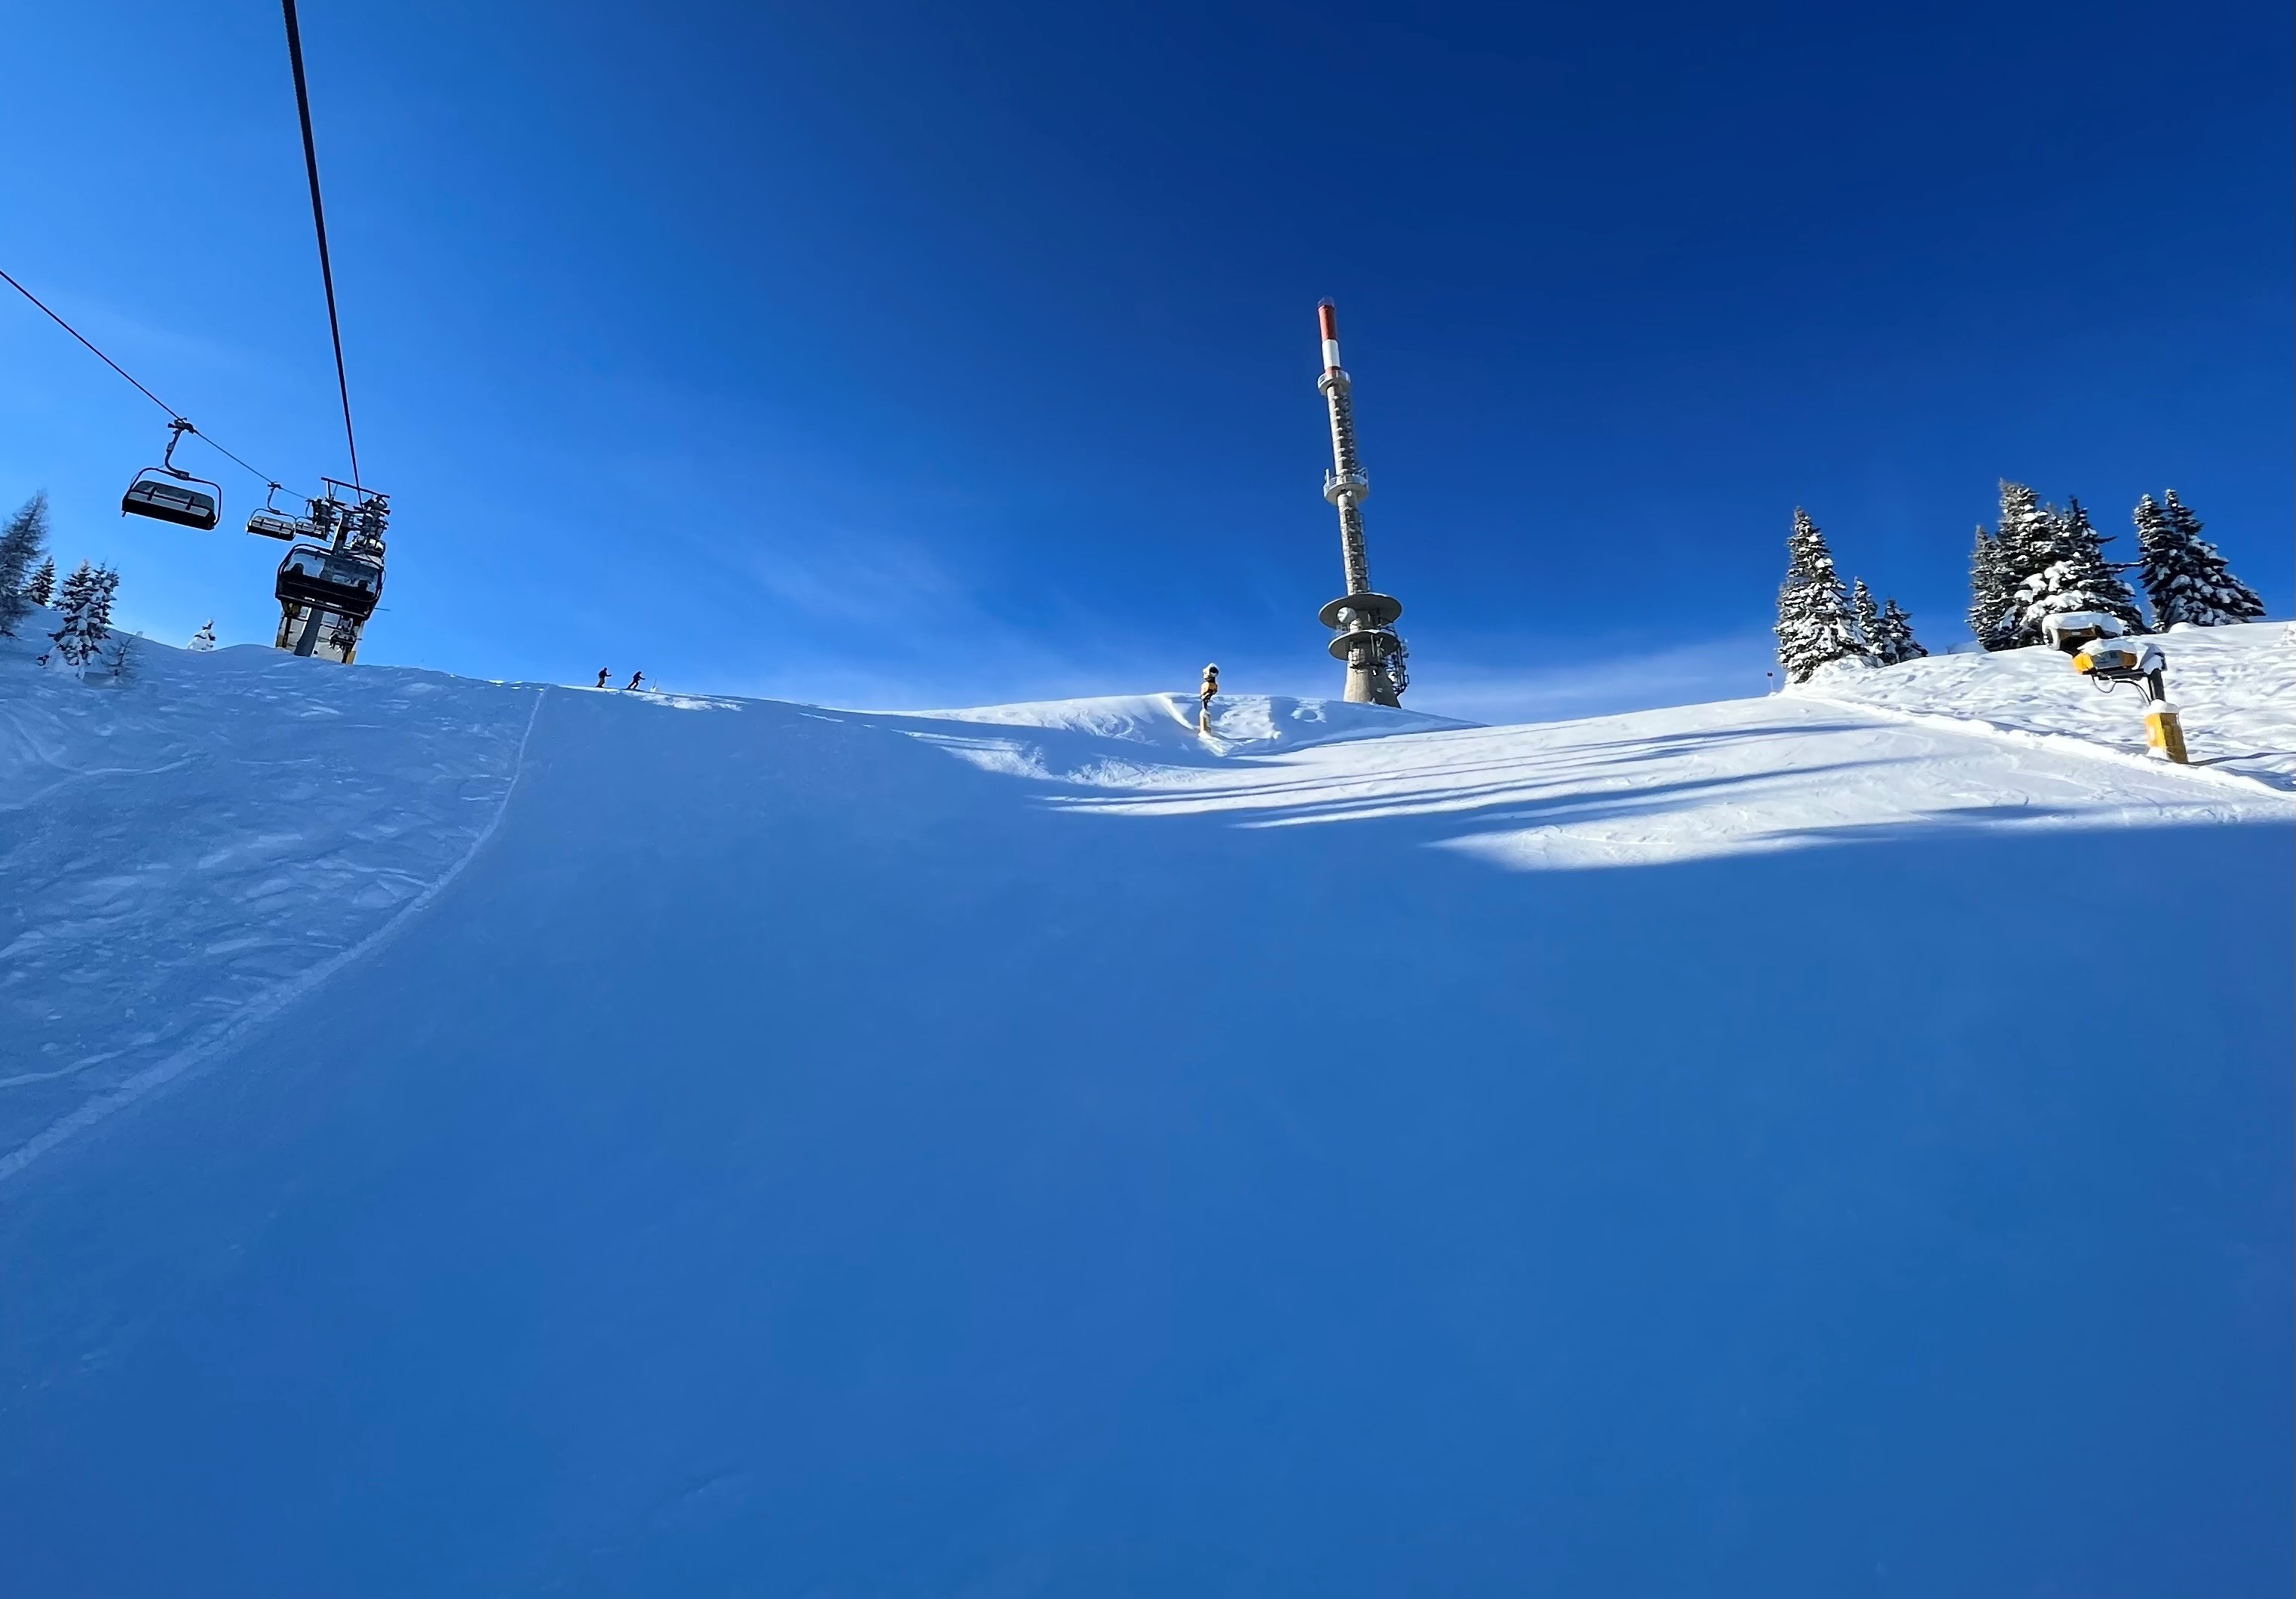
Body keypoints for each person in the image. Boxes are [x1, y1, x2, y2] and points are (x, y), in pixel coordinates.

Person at [1198, 662, 1219, 733]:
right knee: (1204, 706)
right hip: (1205, 694)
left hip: (1207, 692)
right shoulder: (1206, 685)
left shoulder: (1212, 685)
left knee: (1205, 708)